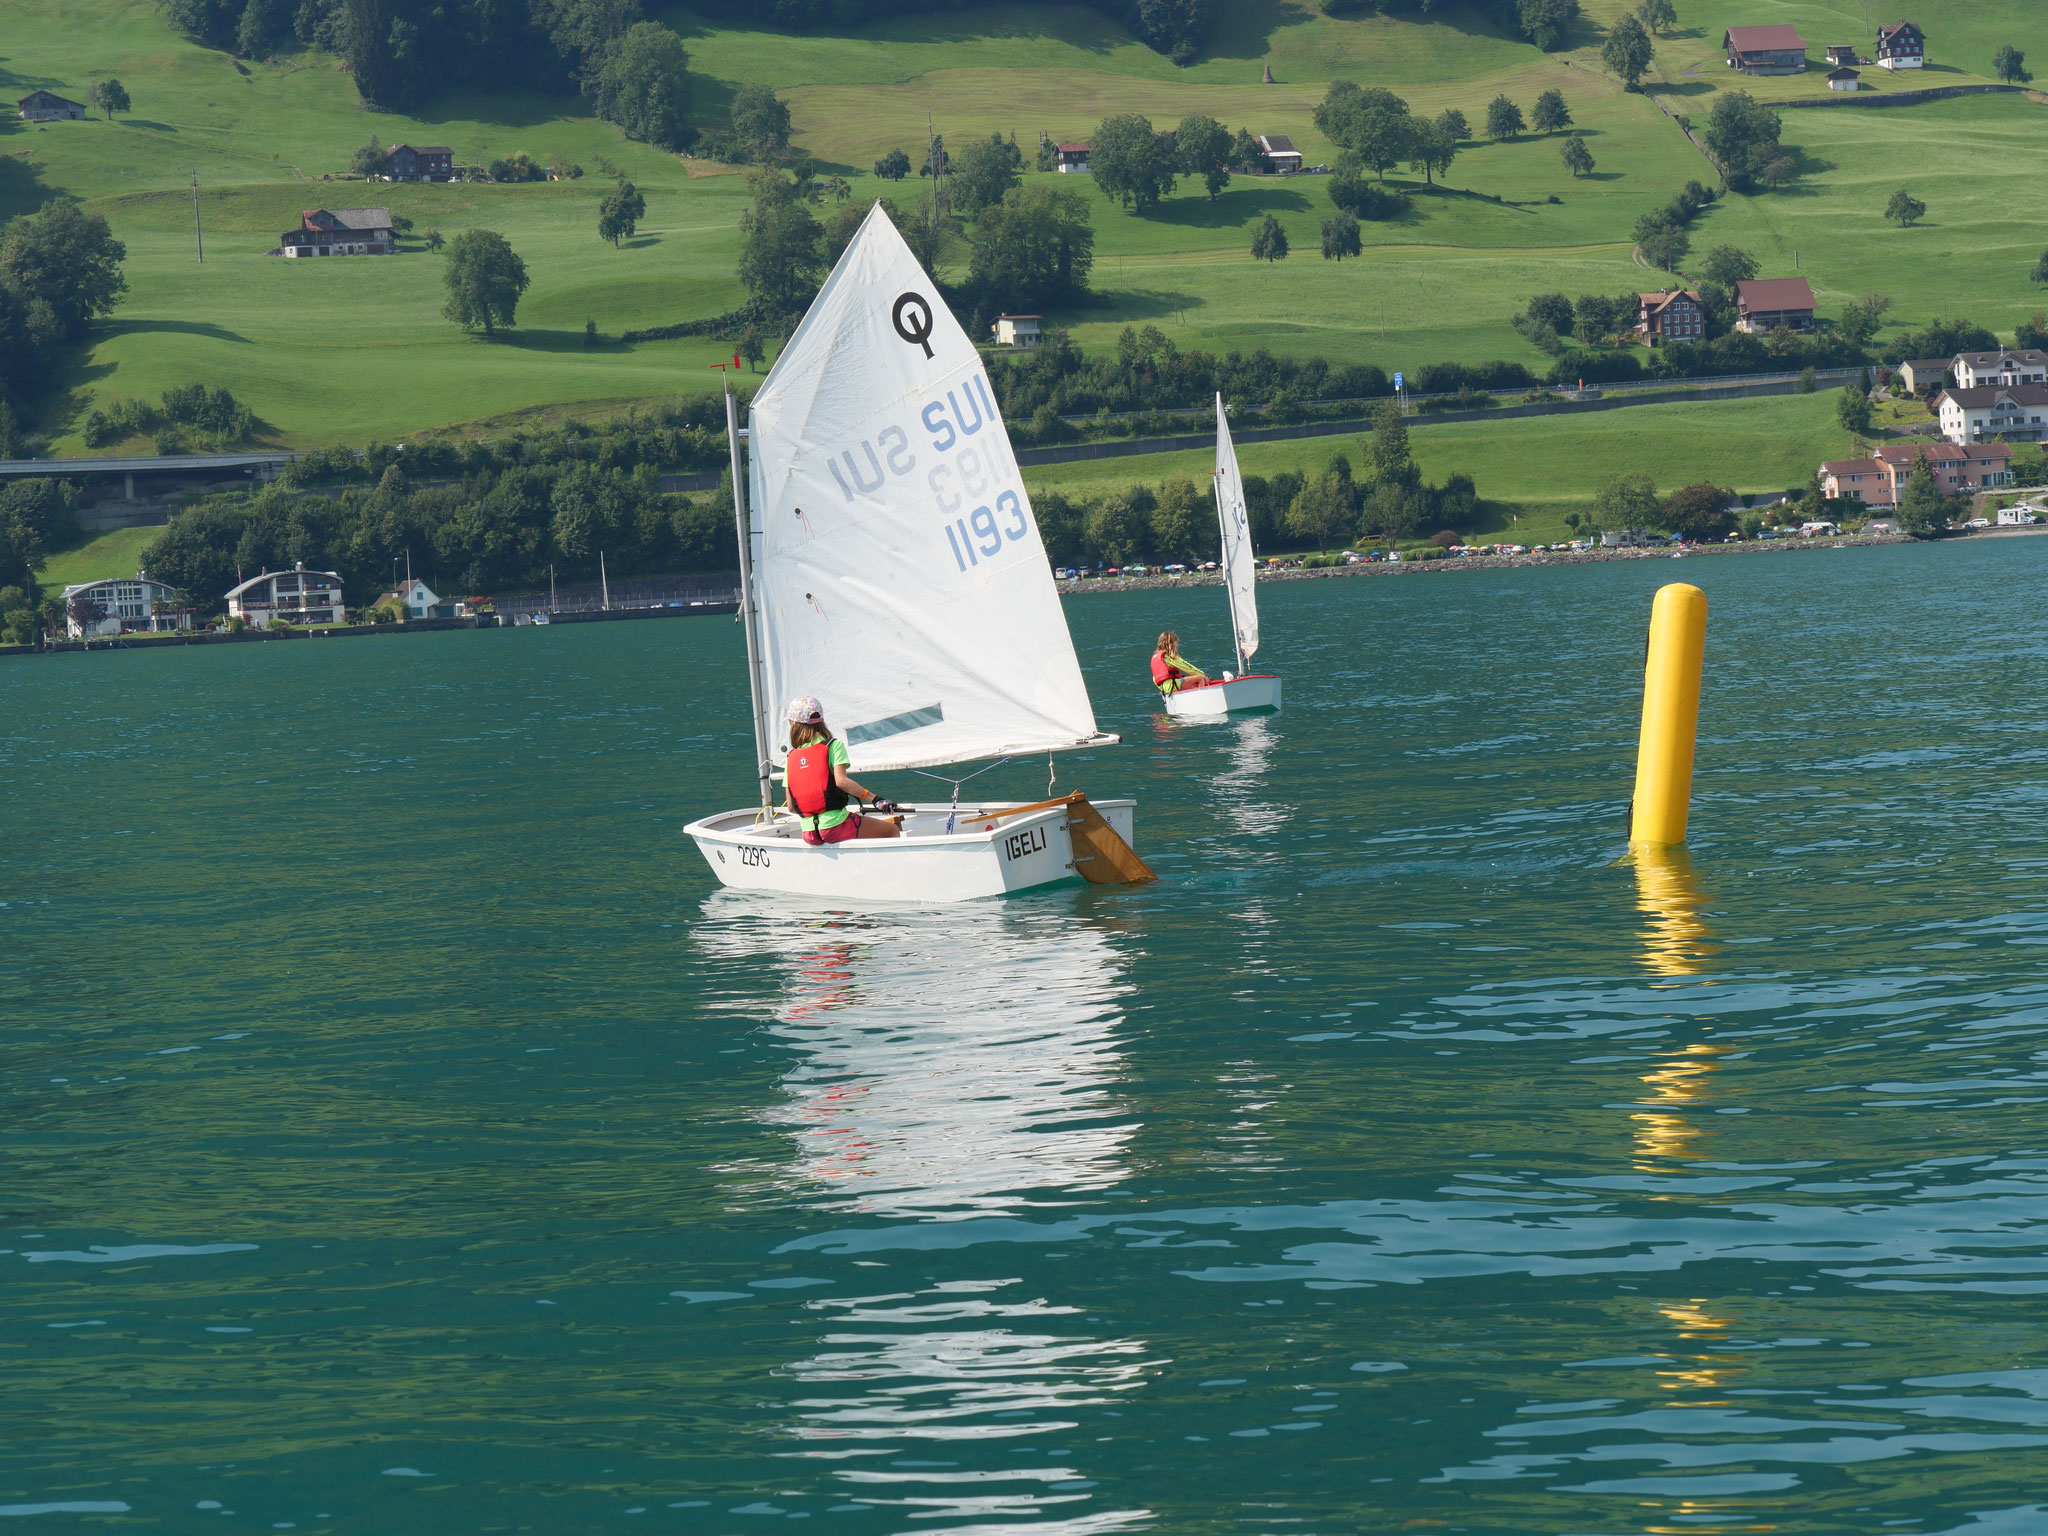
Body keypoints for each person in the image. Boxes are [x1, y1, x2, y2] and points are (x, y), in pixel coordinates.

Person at [783, 697, 902, 845]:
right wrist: (877, 800)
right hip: (835, 826)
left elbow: (791, 806)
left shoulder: (790, 757)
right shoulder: (833, 745)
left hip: (809, 833)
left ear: (794, 724)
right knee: (891, 831)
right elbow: (841, 781)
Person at [1149, 631, 1209, 696]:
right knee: (1199, 678)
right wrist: (1203, 675)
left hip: (1165, 688)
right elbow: (1187, 667)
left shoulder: (1156, 657)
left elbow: (1155, 678)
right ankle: (1201, 699)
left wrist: (1164, 688)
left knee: (1194, 687)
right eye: (1176, 644)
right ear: (1171, 644)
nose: (1176, 646)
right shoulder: (1170, 656)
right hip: (1173, 685)